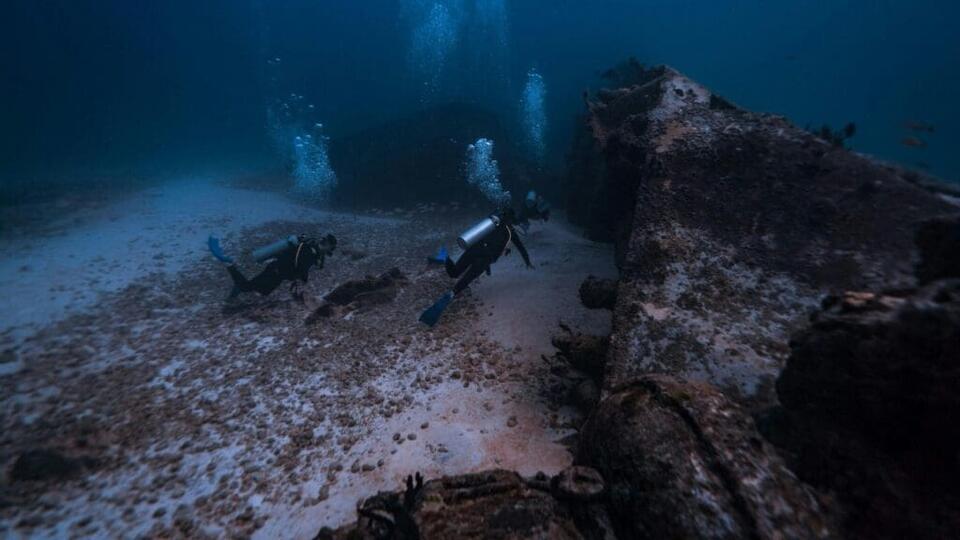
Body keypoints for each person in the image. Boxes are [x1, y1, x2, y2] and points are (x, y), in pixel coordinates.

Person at [420, 208, 532, 326]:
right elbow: (521, 248)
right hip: (485, 258)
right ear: (512, 220)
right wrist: (528, 262)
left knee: (454, 273)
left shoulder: (492, 223)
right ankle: (451, 294)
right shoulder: (510, 233)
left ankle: (445, 257)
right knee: (466, 280)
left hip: (474, 249)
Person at [208, 233, 337, 299]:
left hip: (279, 273)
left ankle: (238, 288)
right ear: (327, 245)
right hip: (276, 271)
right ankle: (229, 265)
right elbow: (301, 265)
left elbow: (302, 263)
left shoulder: (313, 249)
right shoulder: (311, 250)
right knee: (249, 287)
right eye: (331, 248)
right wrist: (303, 279)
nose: (330, 251)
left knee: (263, 291)